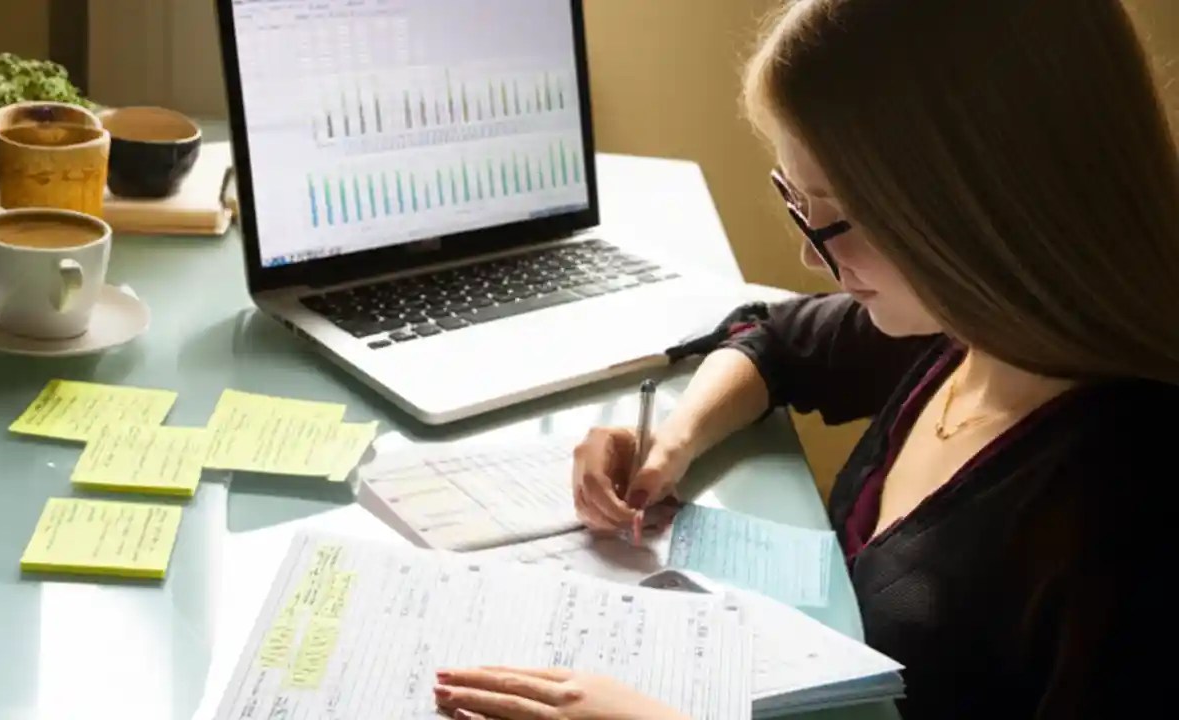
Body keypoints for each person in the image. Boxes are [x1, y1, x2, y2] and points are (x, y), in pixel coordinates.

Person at [432, 0, 1179, 717]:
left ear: (976, 207)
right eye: (795, 201)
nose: (805, 247)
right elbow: (778, 341)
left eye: (832, 215)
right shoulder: (968, 328)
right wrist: (670, 443)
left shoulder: (1128, 516)